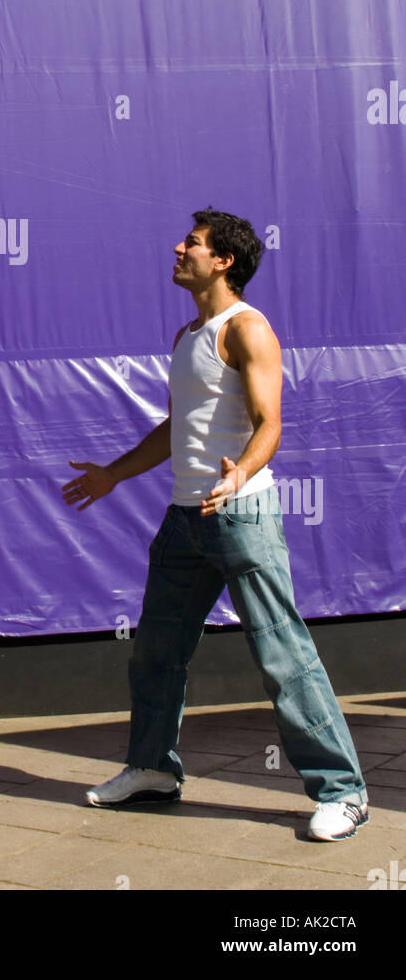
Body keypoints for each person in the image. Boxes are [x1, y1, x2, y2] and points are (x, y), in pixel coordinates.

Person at [63, 209, 368, 843]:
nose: (178, 248)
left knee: (283, 656)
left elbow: (270, 423)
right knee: (154, 654)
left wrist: (237, 477)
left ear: (223, 261)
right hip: (183, 519)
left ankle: (343, 792)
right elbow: (178, 429)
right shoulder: (185, 335)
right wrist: (113, 475)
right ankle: (152, 770)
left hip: (242, 514)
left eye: (193, 244)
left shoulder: (248, 330)